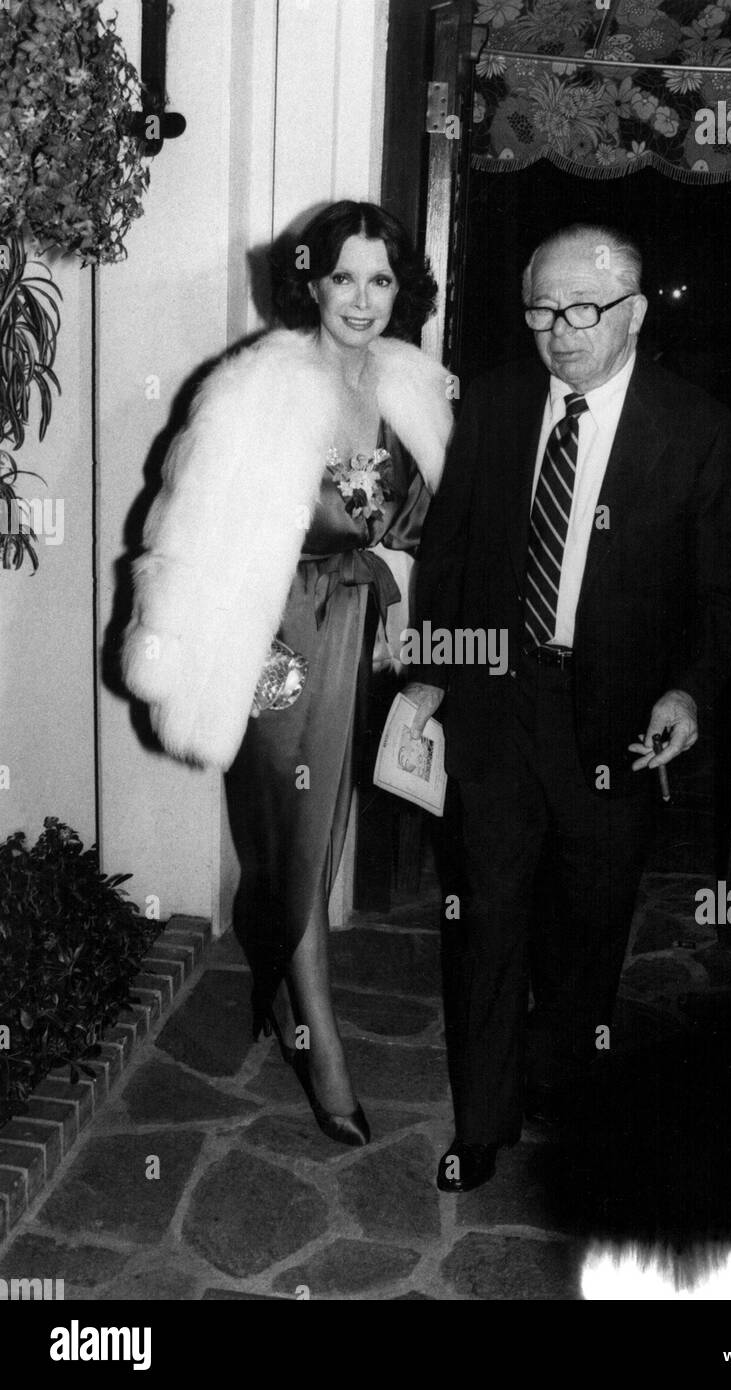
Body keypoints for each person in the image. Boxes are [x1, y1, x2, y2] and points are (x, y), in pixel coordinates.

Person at [405, 223, 731, 1192]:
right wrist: (432, 675)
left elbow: (723, 599)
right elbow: (449, 554)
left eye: (581, 310)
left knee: (587, 925)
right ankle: (482, 1119)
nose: (557, 330)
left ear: (632, 313)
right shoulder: (499, 404)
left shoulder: (696, 430)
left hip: (616, 722)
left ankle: (560, 1081)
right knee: (486, 916)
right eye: (540, 310)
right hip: (496, 708)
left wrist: (686, 689)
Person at [122, 201, 452, 1147]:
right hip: (274, 638)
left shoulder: (414, 388)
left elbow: (434, 528)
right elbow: (182, 526)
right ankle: (324, 1049)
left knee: (321, 832)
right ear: (308, 282)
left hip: (363, 637)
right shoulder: (253, 387)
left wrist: (406, 603)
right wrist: (169, 641)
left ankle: (275, 983)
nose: (361, 298)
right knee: (295, 836)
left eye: (380, 279)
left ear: (402, 290)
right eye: (342, 276)